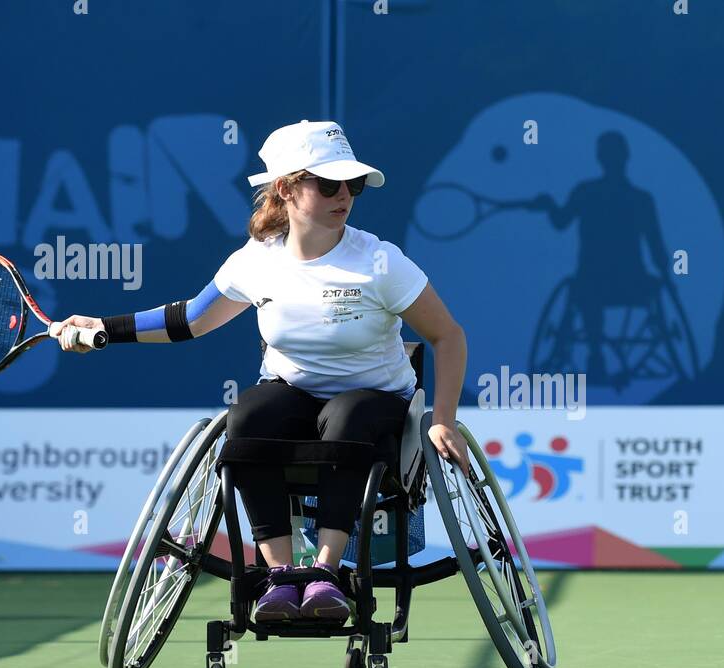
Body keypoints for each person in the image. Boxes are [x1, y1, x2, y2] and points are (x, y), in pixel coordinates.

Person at [57, 120, 469, 622]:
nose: (345, 195)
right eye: (328, 183)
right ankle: (279, 574)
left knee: (348, 414)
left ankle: (324, 572)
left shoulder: (381, 262)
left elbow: (448, 336)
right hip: (292, 396)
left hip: (376, 404)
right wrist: (102, 327)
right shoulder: (256, 262)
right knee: (246, 414)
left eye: (353, 184)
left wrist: (443, 418)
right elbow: (189, 319)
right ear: (286, 188)